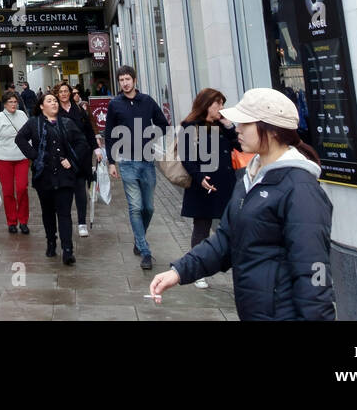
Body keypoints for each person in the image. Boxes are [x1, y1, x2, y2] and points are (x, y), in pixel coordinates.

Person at [150, 87, 336, 320]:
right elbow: (226, 240)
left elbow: (313, 276)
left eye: (245, 124)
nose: (237, 128)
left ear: (272, 130)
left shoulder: (301, 189)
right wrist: (179, 272)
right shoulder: (251, 179)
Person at [16, 89, 92, 265]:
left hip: (65, 176)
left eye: (55, 101)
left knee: (64, 213)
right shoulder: (34, 123)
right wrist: (34, 156)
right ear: (42, 106)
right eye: (50, 101)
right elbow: (20, 139)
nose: (54, 103)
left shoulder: (66, 122)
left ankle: (67, 250)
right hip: (44, 176)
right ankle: (51, 241)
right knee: (48, 212)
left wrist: (71, 161)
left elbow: (82, 143)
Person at [104, 64, 168, 270]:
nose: (124, 83)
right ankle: (145, 251)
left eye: (127, 79)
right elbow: (109, 134)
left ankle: (138, 239)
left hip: (147, 161)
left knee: (148, 207)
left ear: (134, 80)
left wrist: (148, 136)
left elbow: (163, 125)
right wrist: (111, 162)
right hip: (126, 162)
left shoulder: (147, 101)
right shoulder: (115, 104)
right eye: (121, 80)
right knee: (135, 207)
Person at [178, 88, 238, 289]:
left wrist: (229, 126)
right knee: (202, 228)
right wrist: (199, 177)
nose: (221, 108)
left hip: (227, 183)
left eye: (222, 104)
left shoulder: (222, 126)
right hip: (204, 184)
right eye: (217, 104)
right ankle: (198, 271)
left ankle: (236, 265)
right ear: (206, 105)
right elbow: (186, 157)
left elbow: (240, 145)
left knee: (233, 225)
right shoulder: (191, 126)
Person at [55, 81, 100, 237]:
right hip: (63, 158)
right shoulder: (55, 112)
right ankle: (64, 222)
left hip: (81, 156)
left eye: (66, 91)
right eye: (61, 92)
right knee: (65, 192)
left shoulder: (79, 110)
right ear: (57, 94)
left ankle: (82, 223)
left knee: (80, 190)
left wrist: (96, 147)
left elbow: (88, 131)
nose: (64, 94)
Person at [0, 90, 30, 234]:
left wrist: (33, 152)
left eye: (15, 102)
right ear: (4, 104)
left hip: (22, 158)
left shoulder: (22, 115)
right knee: (8, 191)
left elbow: (30, 135)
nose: (13, 104)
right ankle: (11, 221)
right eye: (10, 102)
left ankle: (23, 221)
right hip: (4, 159)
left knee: (22, 188)